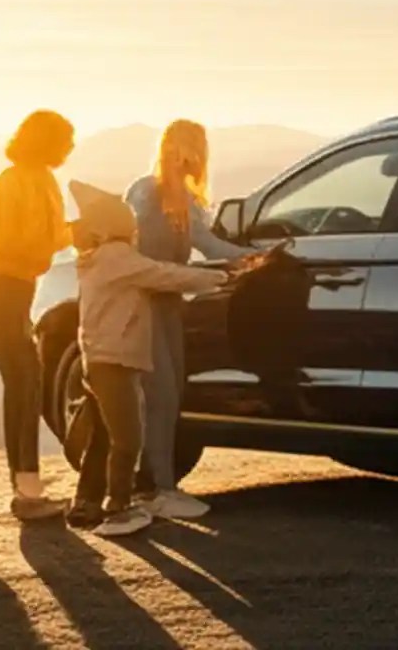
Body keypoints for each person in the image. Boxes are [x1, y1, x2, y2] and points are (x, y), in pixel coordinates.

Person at [64, 180, 228, 536]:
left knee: (103, 437)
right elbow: (164, 275)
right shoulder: (117, 257)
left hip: (98, 359)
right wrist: (218, 278)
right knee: (128, 440)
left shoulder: (96, 258)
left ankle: (86, 505)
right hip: (116, 362)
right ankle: (119, 509)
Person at [124, 119, 253, 520]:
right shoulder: (145, 192)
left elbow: (208, 244)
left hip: (169, 304)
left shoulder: (188, 201)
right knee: (158, 394)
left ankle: (157, 484)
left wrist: (250, 257)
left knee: (170, 393)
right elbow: (131, 247)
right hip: (142, 302)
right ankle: (152, 488)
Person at [0, 110, 75, 521]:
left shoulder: (42, 180)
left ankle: (26, 490)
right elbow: (18, 241)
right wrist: (71, 234)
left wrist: (77, 232)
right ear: (47, 141)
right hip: (5, 293)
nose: (70, 147)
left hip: (17, 293)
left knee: (25, 387)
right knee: (24, 386)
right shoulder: (14, 180)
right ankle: (27, 493)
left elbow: (49, 237)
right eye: (66, 140)